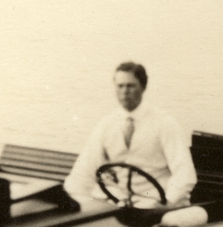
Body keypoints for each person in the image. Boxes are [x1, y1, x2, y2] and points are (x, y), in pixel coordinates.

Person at [63, 62, 196, 209]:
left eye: (130, 86)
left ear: (143, 87)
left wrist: (167, 203)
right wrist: (70, 201)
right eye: (120, 86)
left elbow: (184, 173)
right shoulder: (106, 124)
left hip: (155, 201)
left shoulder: (164, 123)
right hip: (117, 200)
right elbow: (84, 169)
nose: (125, 92)